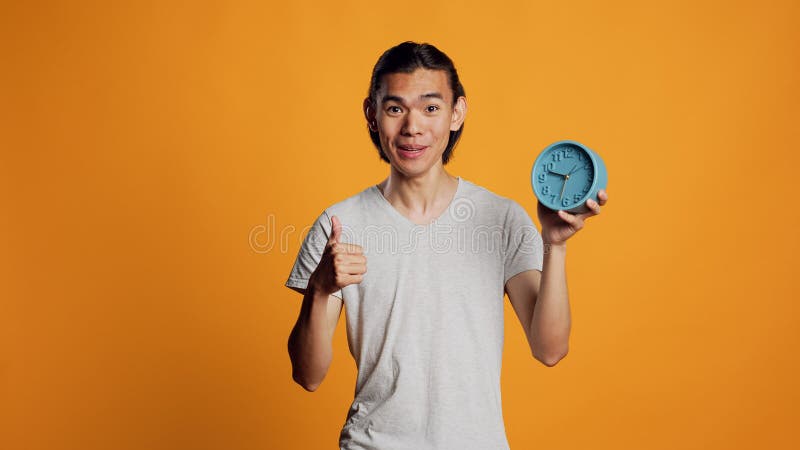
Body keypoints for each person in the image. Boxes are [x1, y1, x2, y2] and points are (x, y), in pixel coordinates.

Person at [285, 41, 608, 450]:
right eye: (395, 108)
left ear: (457, 113)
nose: (412, 127)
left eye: (431, 108)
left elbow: (550, 349)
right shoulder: (339, 225)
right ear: (372, 114)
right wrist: (320, 287)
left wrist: (554, 245)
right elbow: (308, 376)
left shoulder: (502, 218)